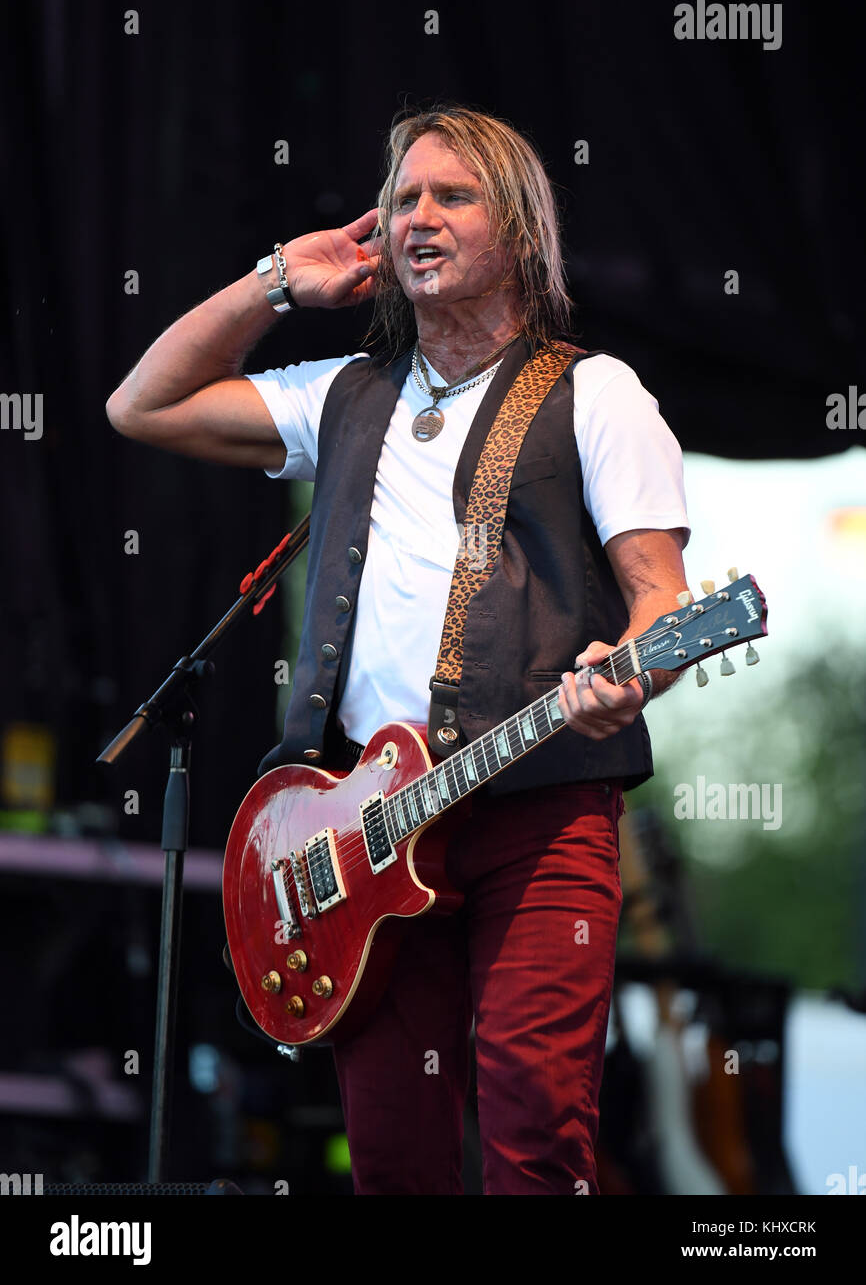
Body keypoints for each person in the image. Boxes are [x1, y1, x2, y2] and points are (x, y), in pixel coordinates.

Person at [106, 103, 690, 1195]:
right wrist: (278, 280)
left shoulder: (594, 394)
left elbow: (663, 603)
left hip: (538, 808)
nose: (414, 217)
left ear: (515, 230)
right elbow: (142, 404)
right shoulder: (343, 395)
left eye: (449, 196)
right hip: (364, 834)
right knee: (392, 1157)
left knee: (533, 1137)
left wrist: (631, 673)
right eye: (401, 198)